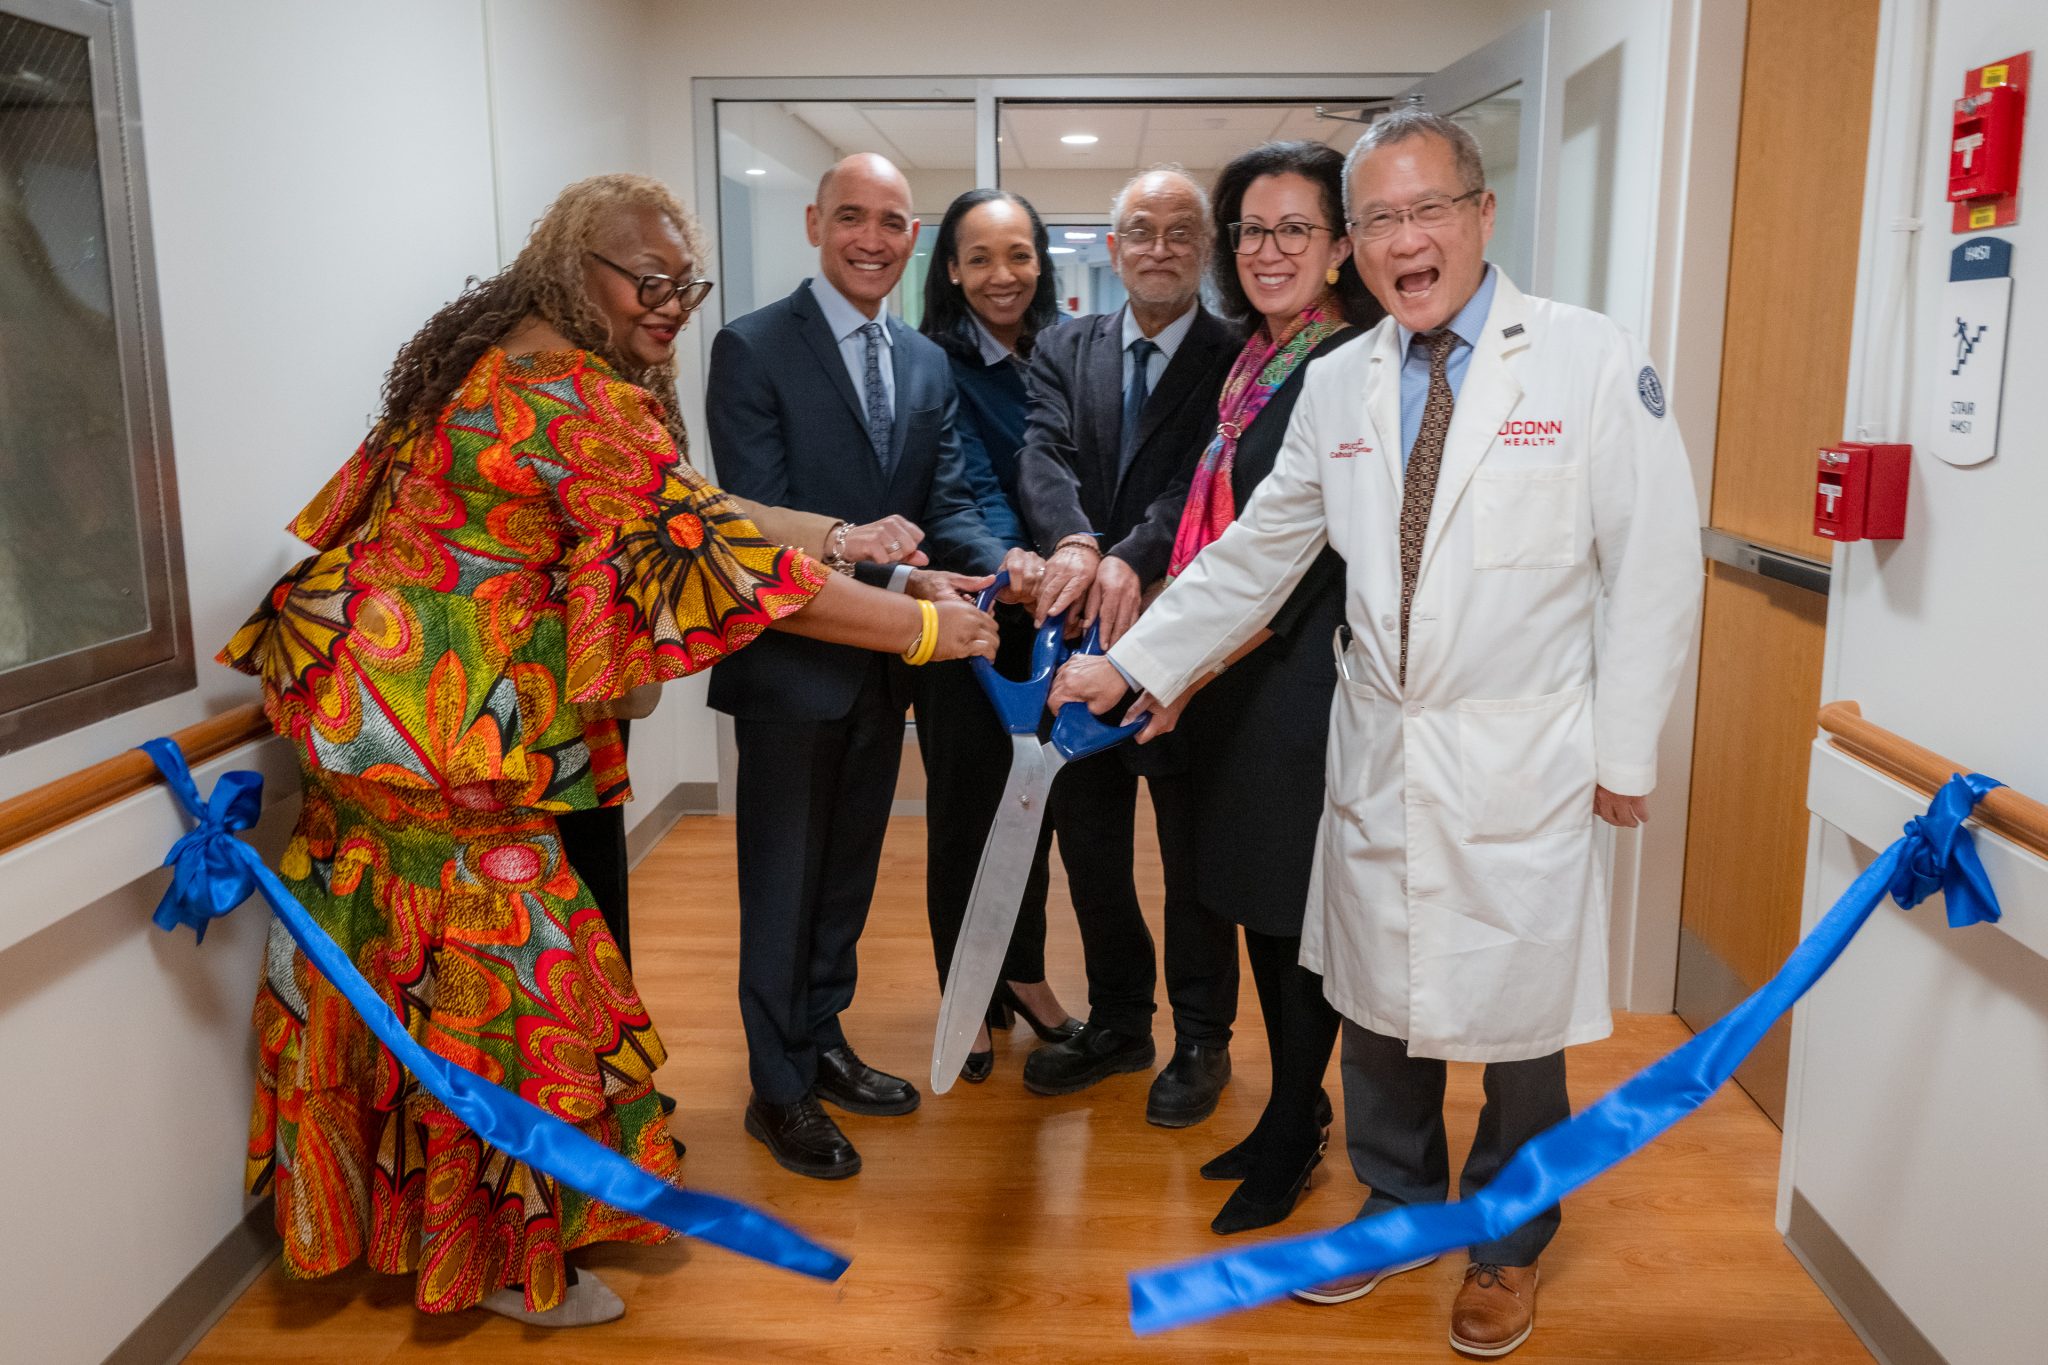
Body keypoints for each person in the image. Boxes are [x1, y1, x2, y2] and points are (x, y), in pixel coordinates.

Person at [220, 174, 1001, 1328]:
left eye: (680, 281)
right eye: (646, 278)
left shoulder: (505, 368)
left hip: (364, 716)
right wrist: (927, 626)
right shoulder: (569, 397)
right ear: (568, 272)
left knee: (400, 990)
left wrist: (860, 553)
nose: (668, 302)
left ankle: (407, 1223)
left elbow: (696, 512)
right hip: (433, 741)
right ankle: (488, 1259)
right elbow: (724, 566)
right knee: (507, 998)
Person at [1051, 110, 1702, 1357]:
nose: (1408, 244)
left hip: (1521, 751)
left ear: (1480, 216)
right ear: (1355, 245)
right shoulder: (1338, 382)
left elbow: (1657, 569)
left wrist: (1622, 753)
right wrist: (1131, 662)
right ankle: (1396, 1201)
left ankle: (1506, 1246)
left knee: (1516, 1028)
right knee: (1383, 1001)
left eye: (1429, 211)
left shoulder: (1579, 360)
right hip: (1379, 740)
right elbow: (1257, 553)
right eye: (1380, 220)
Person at [706, 154, 1044, 1179]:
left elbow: (945, 499)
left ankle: (822, 1041)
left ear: (912, 240)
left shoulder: (923, 360)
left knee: (845, 879)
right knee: (782, 885)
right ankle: (777, 1087)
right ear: (815, 222)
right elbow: (758, 532)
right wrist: (904, 590)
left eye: (892, 222)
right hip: (791, 671)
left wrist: (1000, 566)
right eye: (850, 217)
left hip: (884, 674)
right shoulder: (750, 347)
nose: (870, 238)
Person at [1151, 141, 1383, 1235]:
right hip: (1234, 671)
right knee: (1248, 898)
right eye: (1250, 229)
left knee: (1295, 920)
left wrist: (1184, 662)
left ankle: (1296, 1126)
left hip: (1299, 672)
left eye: (1296, 229)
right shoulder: (1256, 360)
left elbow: (1309, 552)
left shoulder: (1356, 365)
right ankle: (1287, 1110)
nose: (1268, 250)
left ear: (1341, 245)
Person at [1013, 167, 1241, 1126]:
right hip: (1078, 637)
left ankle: (1200, 1039)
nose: (1158, 247)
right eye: (1139, 231)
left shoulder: (1239, 356)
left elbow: (1206, 477)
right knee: (1091, 844)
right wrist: (1077, 543)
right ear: (1113, 248)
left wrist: (1135, 558)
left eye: (1179, 232)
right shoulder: (1064, 344)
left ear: (1204, 250)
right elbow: (1041, 450)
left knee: (1194, 854)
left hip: (1190, 641)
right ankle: (1119, 1019)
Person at [915, 188, 1082, 1083]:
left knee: (1036, 808)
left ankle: (1021, 972)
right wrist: (1009, 559)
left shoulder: (1062, 352)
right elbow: (961, 484)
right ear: (950, 268)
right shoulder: (931, 364)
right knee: (965, 814)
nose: (1001, 275)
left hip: (1058, 616)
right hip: (975, 613)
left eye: (1018, 254)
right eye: (979, 257)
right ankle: (964, 994)